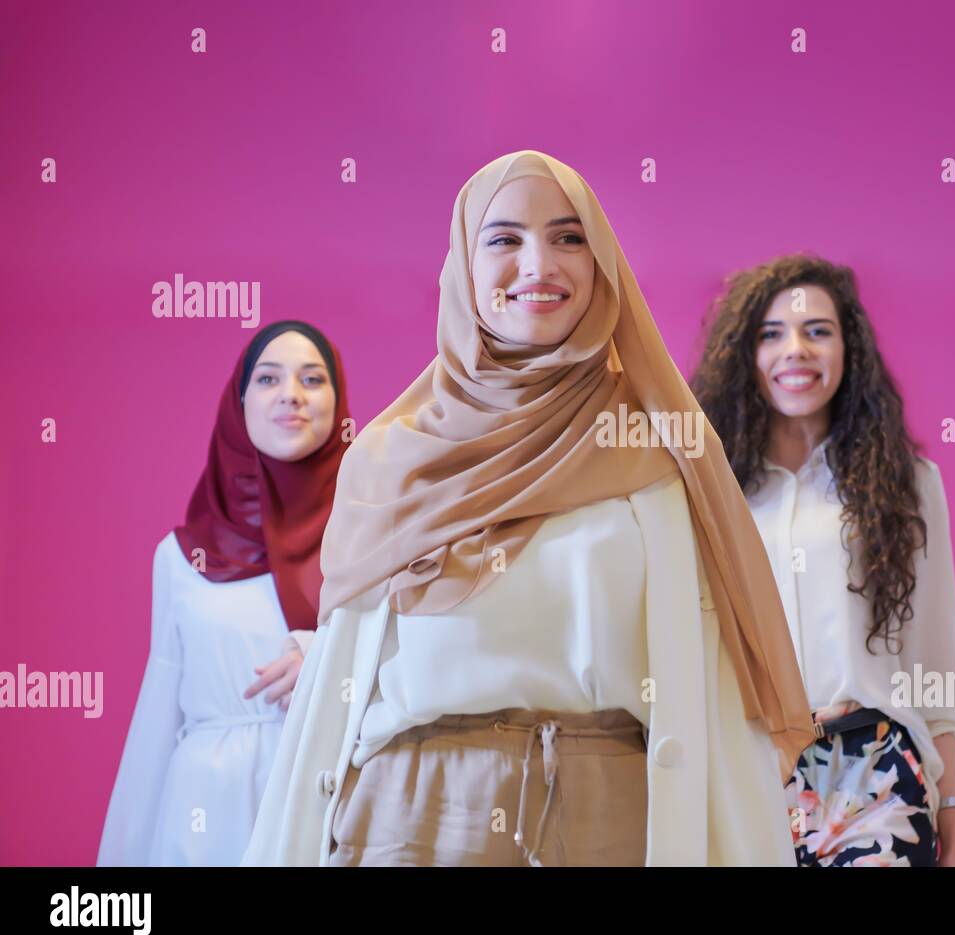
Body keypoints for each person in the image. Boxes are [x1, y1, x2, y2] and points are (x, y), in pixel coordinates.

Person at [242, 150, 813, 867]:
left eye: (570, 237)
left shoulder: (656, 450)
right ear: (464, 266)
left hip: (608, 818)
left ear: (602, 264)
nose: (539, 264)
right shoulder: (390, 459)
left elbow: (710, 681)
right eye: (504, 238)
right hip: (408, 818)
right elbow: (338, 686)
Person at [692, 254, 955, 866]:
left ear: (849, 350)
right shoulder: (709, 492)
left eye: (817, 330)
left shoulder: (908, 484)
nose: (796, 349)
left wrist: (954, 814)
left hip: (872, 774)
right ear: (746, 355)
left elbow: (934, 663)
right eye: (772, 334)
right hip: (744, 769)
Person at [97, 321, 350, 865]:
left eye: (312, 378)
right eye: (268, 379)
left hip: (330, 800)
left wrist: (330, 660)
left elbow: (416, 672)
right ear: (239, 404)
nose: (291, 394)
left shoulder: (372, 539)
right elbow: (159, 711)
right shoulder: (181, 556)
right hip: (206, 814)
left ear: (338, 403)